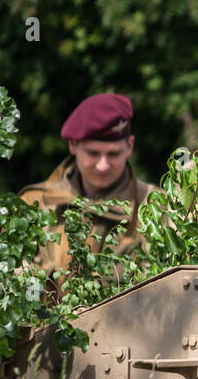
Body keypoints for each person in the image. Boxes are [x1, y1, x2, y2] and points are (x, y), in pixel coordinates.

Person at [19, 93, 155, 276]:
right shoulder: (34, 205)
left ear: (129, 146)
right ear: (73, 145)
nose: (103, 165)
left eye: (113, 154)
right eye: (93, 153)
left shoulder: (155, 209)